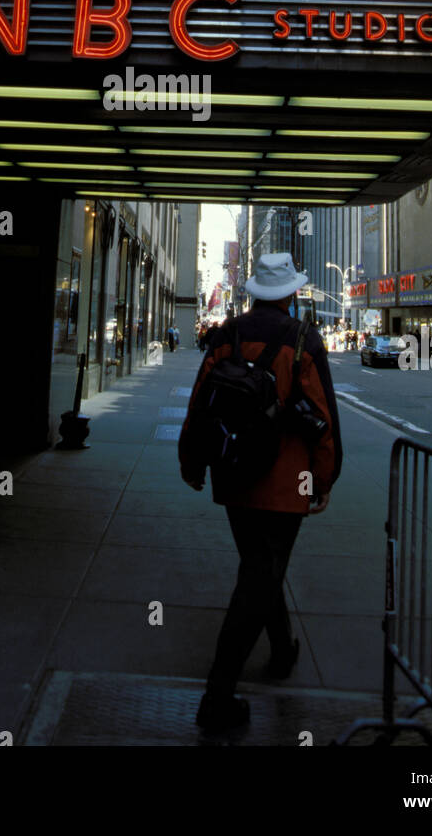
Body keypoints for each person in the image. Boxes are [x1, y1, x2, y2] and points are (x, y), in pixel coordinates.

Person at [178, 252, 343, 734]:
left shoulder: (226, 335)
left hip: (233, 475)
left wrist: (192, 461)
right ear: (291, 293)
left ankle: (282, 650)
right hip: (286, 484)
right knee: (259, 576)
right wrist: (324, 478)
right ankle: (218, 695)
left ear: (252, 292)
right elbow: (323, 418)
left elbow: (200, 402)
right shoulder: (304, 340)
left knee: (260, 567)